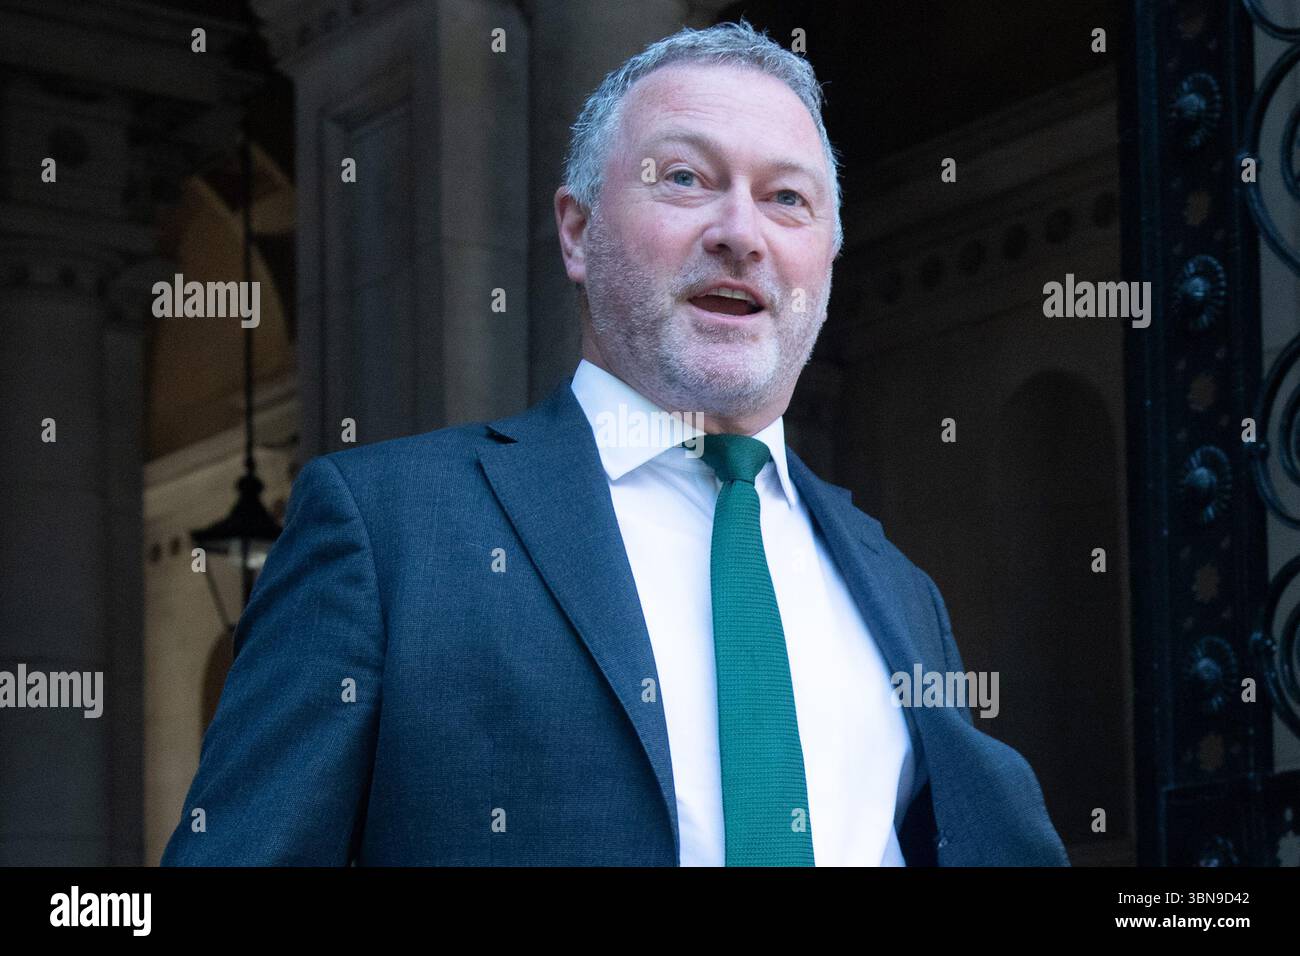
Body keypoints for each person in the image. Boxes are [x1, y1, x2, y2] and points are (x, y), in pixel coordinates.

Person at [162, 19, 1068, 867]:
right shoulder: (386, 530)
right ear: (578, 231)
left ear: (826, 259)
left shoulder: (903, 592)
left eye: (787, 199)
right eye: (684, 178)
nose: (740, 233)